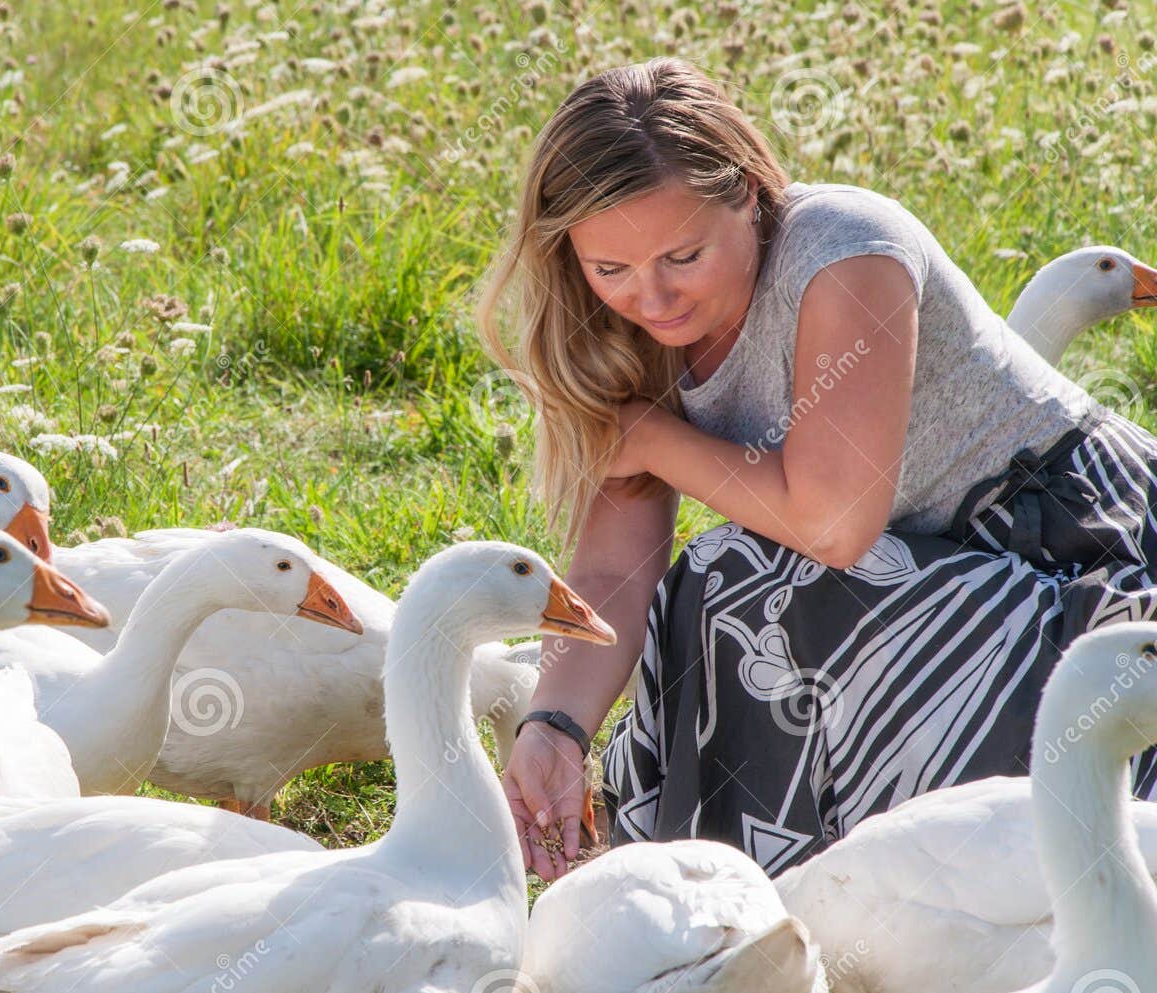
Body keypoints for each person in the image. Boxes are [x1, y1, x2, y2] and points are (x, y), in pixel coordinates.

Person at [476, 56, 1157, 883]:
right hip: (922, 572)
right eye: (610, 269)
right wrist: (554, 725)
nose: (651, 299)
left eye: (682, 256)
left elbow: (836, 524)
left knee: (739, 577)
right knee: (726, 592)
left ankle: (843, 929)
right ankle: (754, 935)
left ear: (750, 193)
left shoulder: (843, 250)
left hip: (1086, 551)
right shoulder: (614, 327)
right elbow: (618, 564)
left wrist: (651, 438)